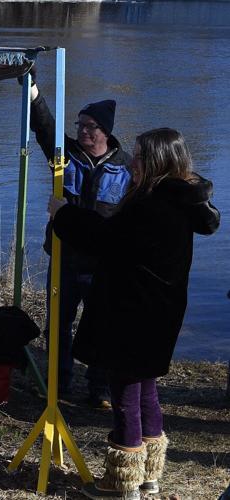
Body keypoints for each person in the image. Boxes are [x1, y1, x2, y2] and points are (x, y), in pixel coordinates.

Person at [48, 128, 220, 499]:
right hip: (162, 311)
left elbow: (106, 239)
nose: (134, 162)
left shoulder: (151, 205)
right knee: (146, 387)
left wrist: (64, 215)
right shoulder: (182, 201)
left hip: (134, 311)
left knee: (125, 388)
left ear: (157, 162)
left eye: (140, 156)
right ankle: (150, 475)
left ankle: (121, 483)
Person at [25, 69, 132, 409]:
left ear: (106, 132)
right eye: (80, 125)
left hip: (104, 265)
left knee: (103, 326)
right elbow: (43, 127)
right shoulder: (64, 154)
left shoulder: (128, 168)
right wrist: (33, 92)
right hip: (64, 257)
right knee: (58, 324)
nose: (83, 131)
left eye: (91, 127)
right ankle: (59, 382)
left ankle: (98, 388)